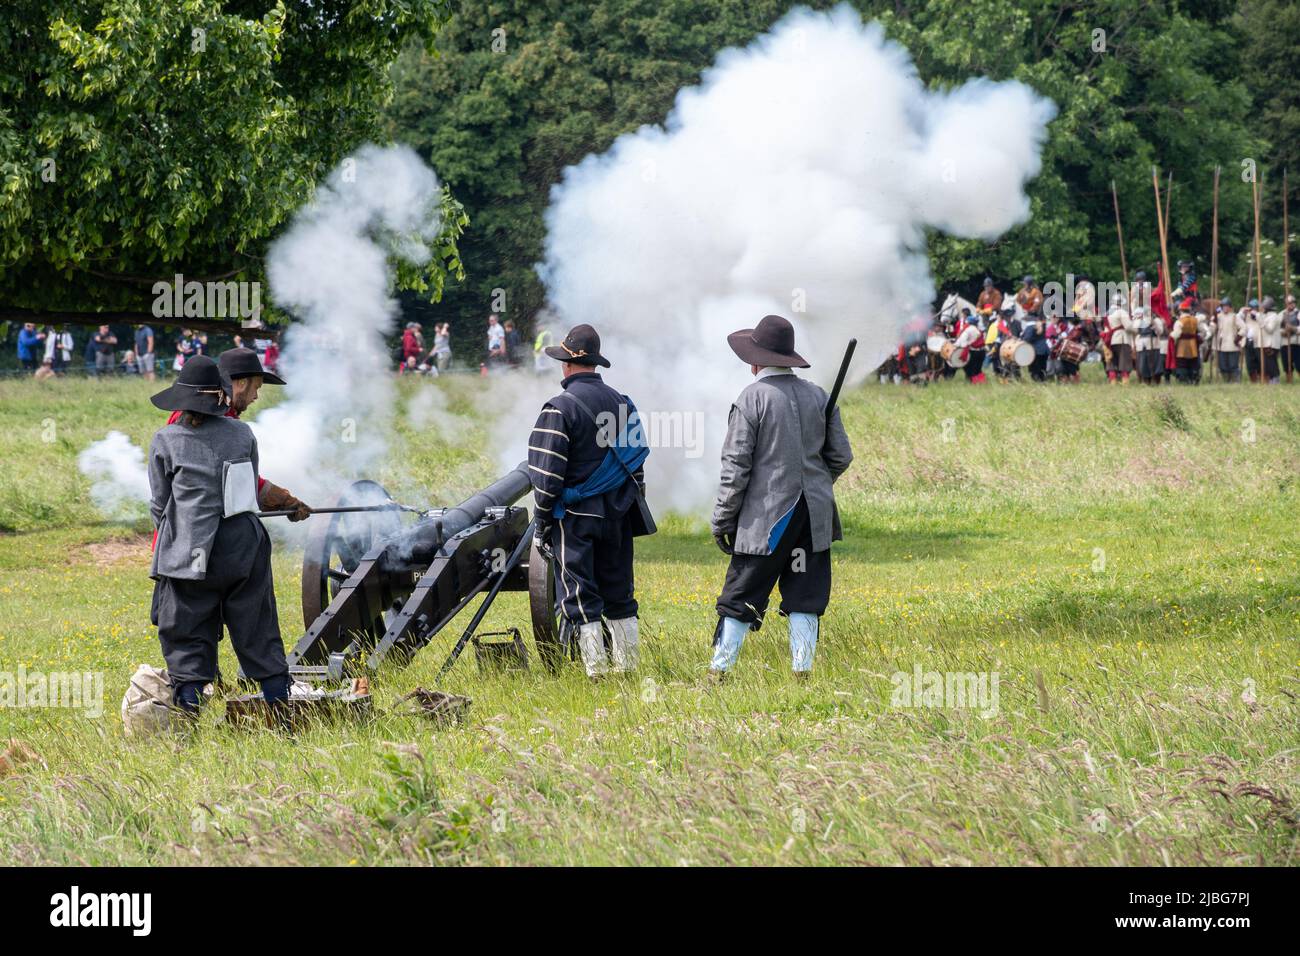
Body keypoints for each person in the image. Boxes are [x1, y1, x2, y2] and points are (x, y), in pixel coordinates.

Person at [146, 356, 294, 721]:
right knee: (258, 629)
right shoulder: (243, 434)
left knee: (188, 636)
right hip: (244, 548)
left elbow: (160, 506)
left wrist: (177, 543)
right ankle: (281, 714)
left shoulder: (165, 440)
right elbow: (249, 486)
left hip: (189, 553)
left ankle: (188, 720)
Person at [708, 315, 853, 682]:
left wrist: (723, 520)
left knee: (741, 594)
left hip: (768, 520)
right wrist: (817, 483)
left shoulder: (751, 398)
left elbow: (735, 467)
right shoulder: (818, 395)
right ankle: (801, 671)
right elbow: (840, 457)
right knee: (806, 594)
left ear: (755, 361)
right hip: (812, 516)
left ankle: (719, 672)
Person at [527, 324, 652, 679]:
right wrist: (625, 505)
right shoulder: (623, 404)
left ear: (566, 366)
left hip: (576, 517)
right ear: (594, 365)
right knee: (619, 590)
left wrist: (543, 521)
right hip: (618, 516)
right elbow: (635, 465)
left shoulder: (559, 408)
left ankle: (595, 670)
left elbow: (547, 476)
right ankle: (627, 667)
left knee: (580, 593)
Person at [1170, 302, 1202, 384]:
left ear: (1180, 311)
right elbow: (1202, 331)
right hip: (1193, 344)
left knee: (1182, 363)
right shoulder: (1195, 320)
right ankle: (1193, 378)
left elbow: (1176, 334)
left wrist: (1170, 334)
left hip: (1182, 345)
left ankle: (1184, 379)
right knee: (1192, 362)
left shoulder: (1179, 322)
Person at [1209, 298, 1240, 383]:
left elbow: (1243, 328)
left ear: (1230, 307)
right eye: (1223, 306)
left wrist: (1238, 338)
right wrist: (1213, 322)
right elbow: (1212, 331)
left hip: (1232, 344)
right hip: (1221, 345)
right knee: (1222, 366)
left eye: (1227, 306)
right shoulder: (1218, 317)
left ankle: (1235, 381)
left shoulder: (1235, 316)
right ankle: (1226, 381)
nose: (1225, 308)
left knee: (1233, 365)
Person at [1133, 307, 1165, 385]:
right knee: (1143, 364)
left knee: (1155, 364)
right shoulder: (1139, 321)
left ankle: (1156, 380)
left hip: (1154, 344)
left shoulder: (1156, 320)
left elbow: (1160, 332)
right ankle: (1145, 380)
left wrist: (1154, 324)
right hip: (1142, 345)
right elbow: (1135, 332)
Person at [1103, 305, 1135, 384]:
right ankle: (1125, 383)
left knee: (1112, 363)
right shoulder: (1122, 312)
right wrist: (1137, 331)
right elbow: (1128, 326)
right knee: (1124, 362)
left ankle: (1113, 383)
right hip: (1122, 339)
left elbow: (1106, 329)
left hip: (1110, 340)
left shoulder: (1107, 314)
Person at [952, 310, 985, 383]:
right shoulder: (979, 330)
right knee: (978, 368)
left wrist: (956, 345)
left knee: (970, 368)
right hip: (982, 352)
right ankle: (980, 382)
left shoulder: (967, 330)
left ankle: (972, 382)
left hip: (973, 352)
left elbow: (962, 342)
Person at [1258, 296, 1282, 384]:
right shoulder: (1266, 316)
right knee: (1268, 364)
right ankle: (1272, 379)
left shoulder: (1274, 316)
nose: (1262, 308)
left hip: (1272, 343)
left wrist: (1262, 323)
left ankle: (1275, 379)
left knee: (1272, 363)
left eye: (1263, 307)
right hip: (1267, 343)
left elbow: (1270, 329)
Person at [1282, 295, 1299, 383]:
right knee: (1287, 365)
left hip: (1296, 342)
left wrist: (1293, 328)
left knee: (1299, 364)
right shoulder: (1282, 314)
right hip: (1285, 342)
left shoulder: (1298, 313)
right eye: (1289, 303)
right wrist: (1283, 332)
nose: (1291, 305)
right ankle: (1289, 381)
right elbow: (1277, 328)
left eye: (1292, 303)